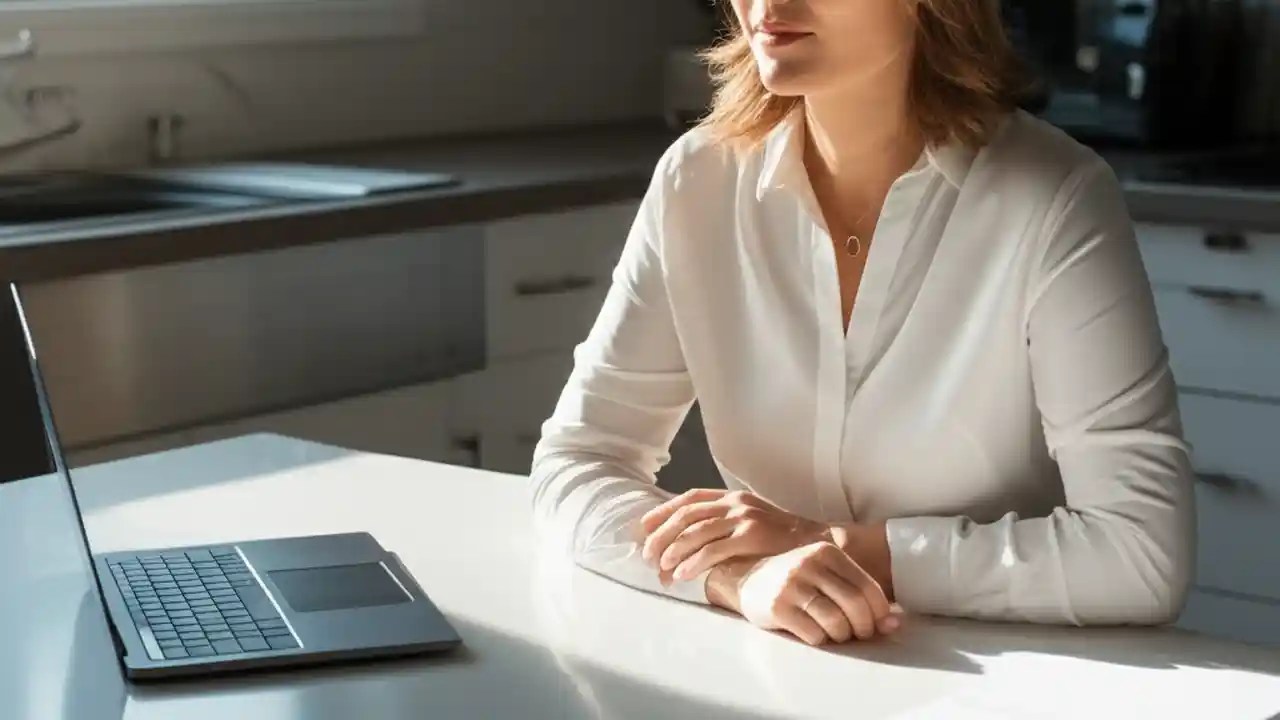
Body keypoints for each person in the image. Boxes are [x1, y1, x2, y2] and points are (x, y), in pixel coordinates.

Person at [530, 0, 1194, 647]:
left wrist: (818, 541)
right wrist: (739, 577)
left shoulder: (1055, 198)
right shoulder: (697, 179)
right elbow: (577, 463)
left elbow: (1141, 551)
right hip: (780, 671)